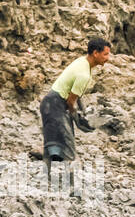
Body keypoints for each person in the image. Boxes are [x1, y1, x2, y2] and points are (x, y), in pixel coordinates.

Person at [40, 38, 111, 194]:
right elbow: (71, 101)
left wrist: (82, 113)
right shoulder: (84, 74)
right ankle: (71, 188)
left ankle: (45, 182)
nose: (108, 58)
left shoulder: (82, 62)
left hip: (49, 102)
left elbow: (77, 95)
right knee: (68, 145)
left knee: (52, 143)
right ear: (95, 53)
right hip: (55, 105)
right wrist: (78, 121)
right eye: (105, 54)